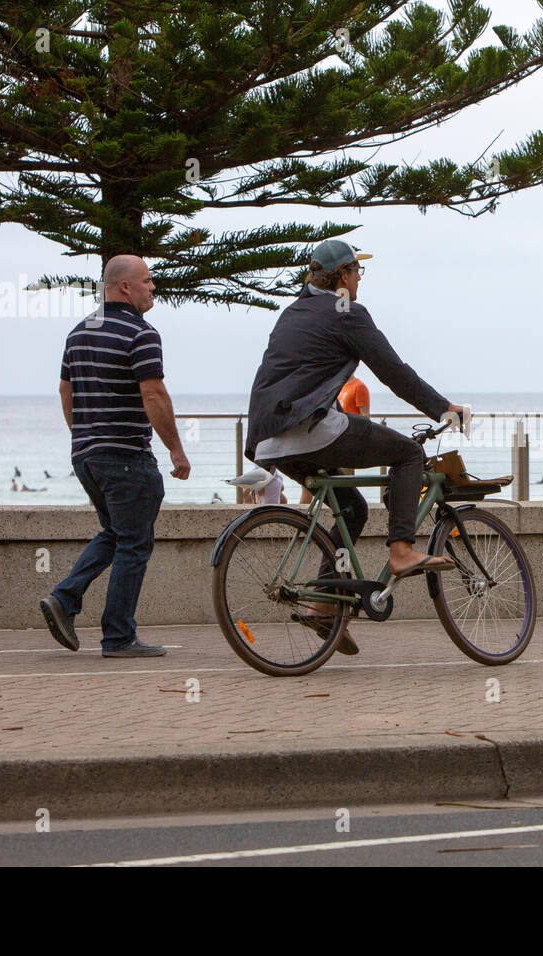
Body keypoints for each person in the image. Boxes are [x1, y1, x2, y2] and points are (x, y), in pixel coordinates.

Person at [245, 239, 464, 655]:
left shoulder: (293, 312)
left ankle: (323, 606)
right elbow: (393, 372)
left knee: (351, 509)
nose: (360, 279)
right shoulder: (347, 312)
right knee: (408, 453)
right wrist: (443, 408)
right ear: (344, 275)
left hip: (270, 441)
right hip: (310, 428)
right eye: (357, 271)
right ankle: (401, 550)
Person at [39, 255, 191, 659]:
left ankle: (64, 598)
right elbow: (153, 394)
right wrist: (176, 449)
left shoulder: (77, 333)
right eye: (147, 281)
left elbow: (65, 393)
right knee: (135, 544)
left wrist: (85, 439)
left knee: (117, 533)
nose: (153, 287)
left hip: (87, 456)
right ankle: (118, 636)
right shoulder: (141, 333)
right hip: (126, 456)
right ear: (124, 287)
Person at [299, 375, 371, 505]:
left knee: (344, 485)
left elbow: (365, 416)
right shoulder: (339, 385)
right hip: (330, 440)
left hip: (348, 441)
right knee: (310, 484)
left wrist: (359, 443)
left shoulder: (359, 387)